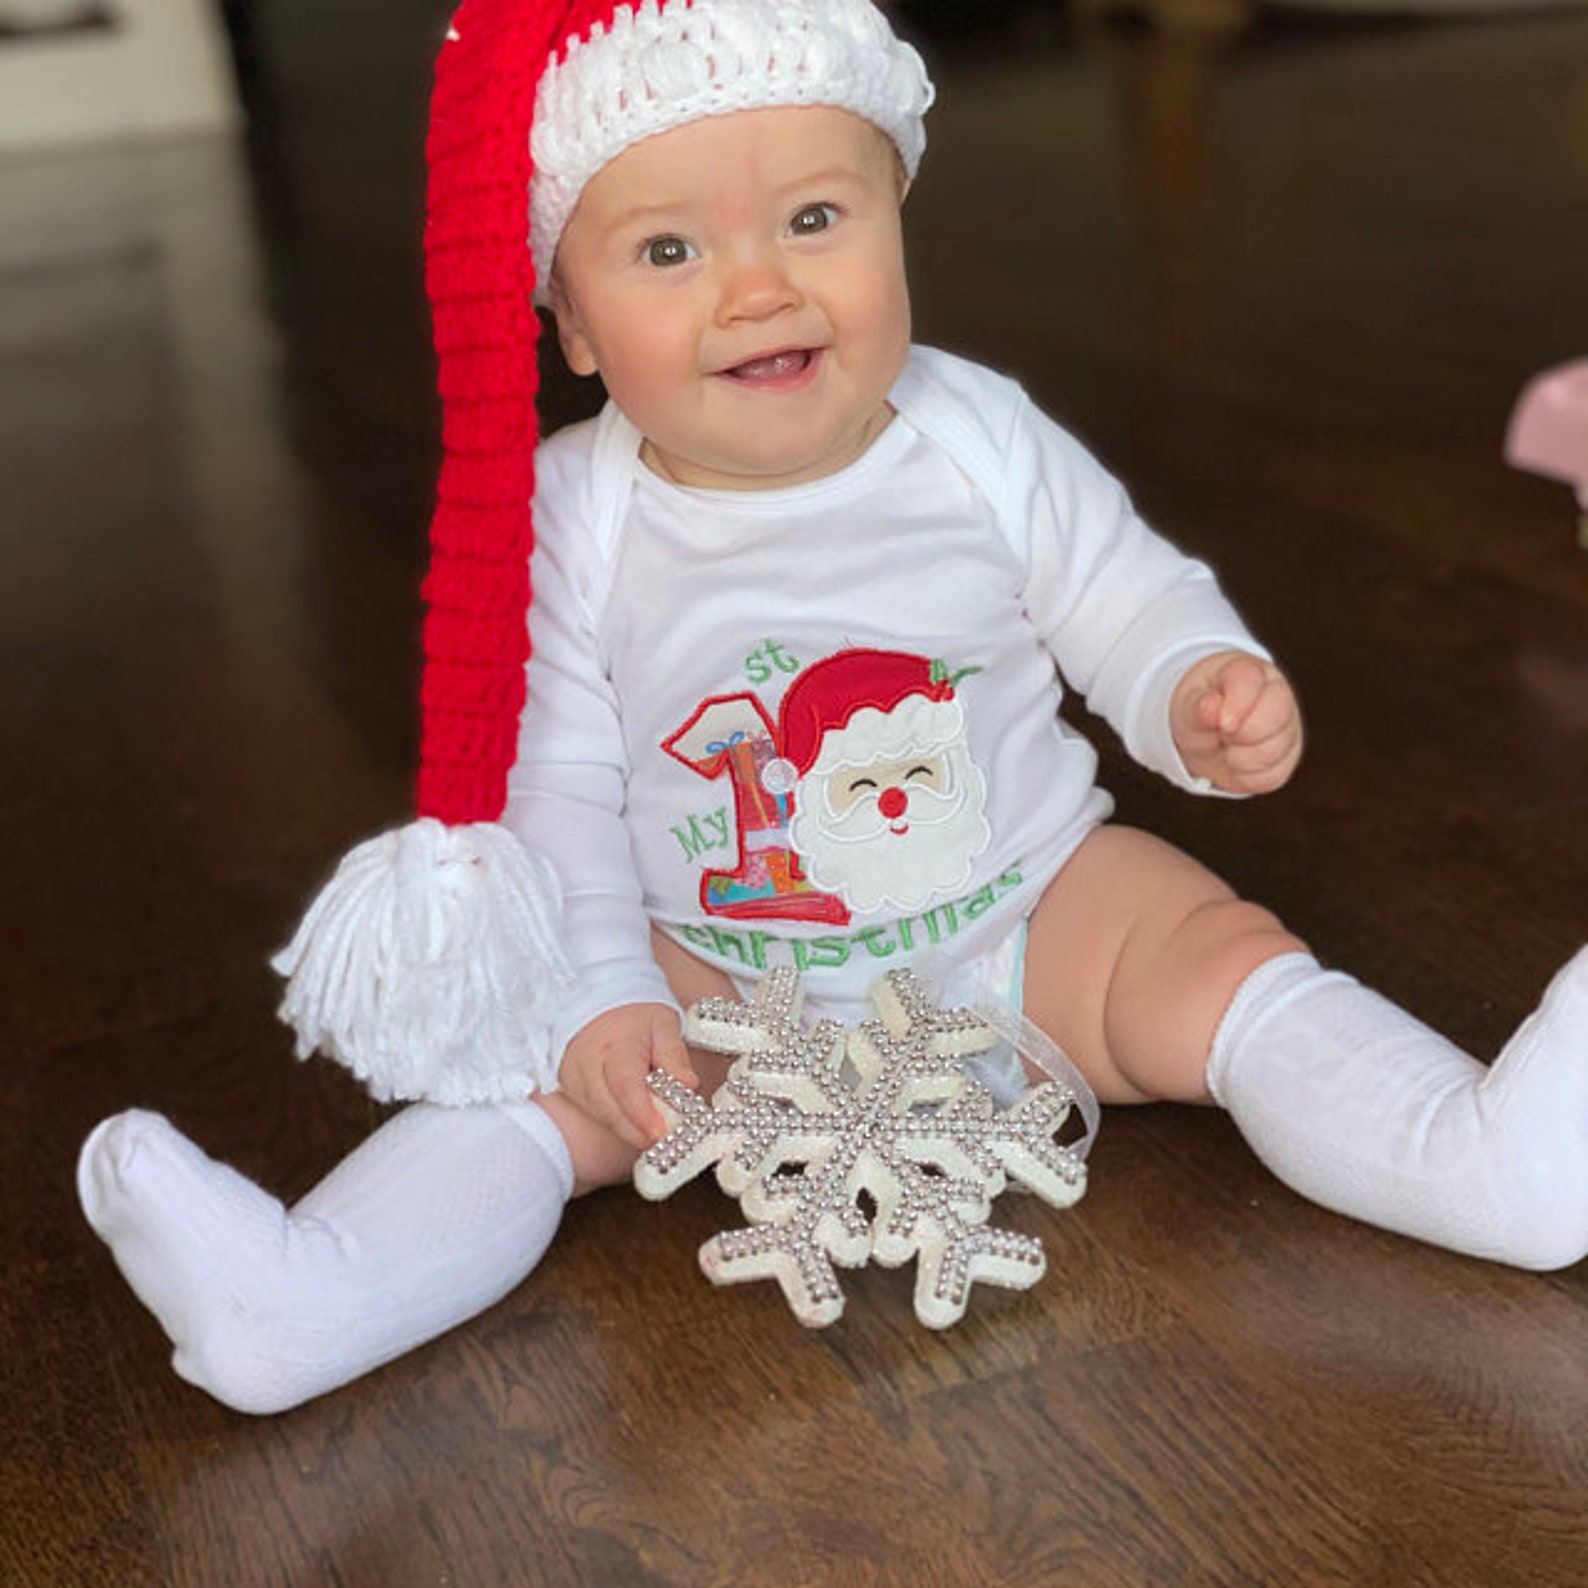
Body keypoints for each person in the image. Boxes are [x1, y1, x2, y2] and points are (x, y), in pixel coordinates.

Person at [77, 0, 1588, 1417]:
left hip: (1029, 910)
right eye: (668, 250)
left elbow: (1116, 584)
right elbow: (560, 782)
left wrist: (1192, 681)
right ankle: (309, 1296)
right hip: (734, 978)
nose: (759, 286)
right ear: (574, 324)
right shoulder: (578, 513)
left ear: (896, 214)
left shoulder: (969, 428)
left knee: (1217, 959)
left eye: (814, 218)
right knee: (538, 1087)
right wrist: (608, 989)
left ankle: (1483, 1164)